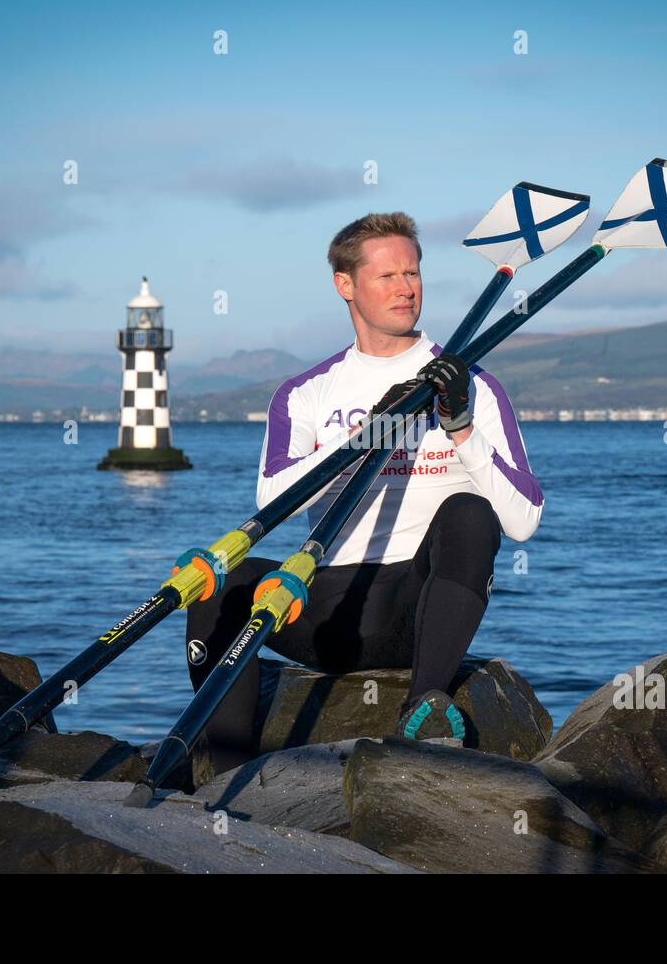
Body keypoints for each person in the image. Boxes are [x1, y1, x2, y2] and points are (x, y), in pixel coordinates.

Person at [184, 211, 543, 776]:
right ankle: (226, 770)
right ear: (345, 285)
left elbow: (522, 521)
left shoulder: (473, 386)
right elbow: (274, 500)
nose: (406, 288)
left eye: (414, 273)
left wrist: (462, 429)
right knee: (218, 584)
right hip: (326, 608)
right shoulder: (305, 394)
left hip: (414, 606)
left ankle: (422, 707)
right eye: (387, 276)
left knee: (470, 512)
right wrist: (362, 437)